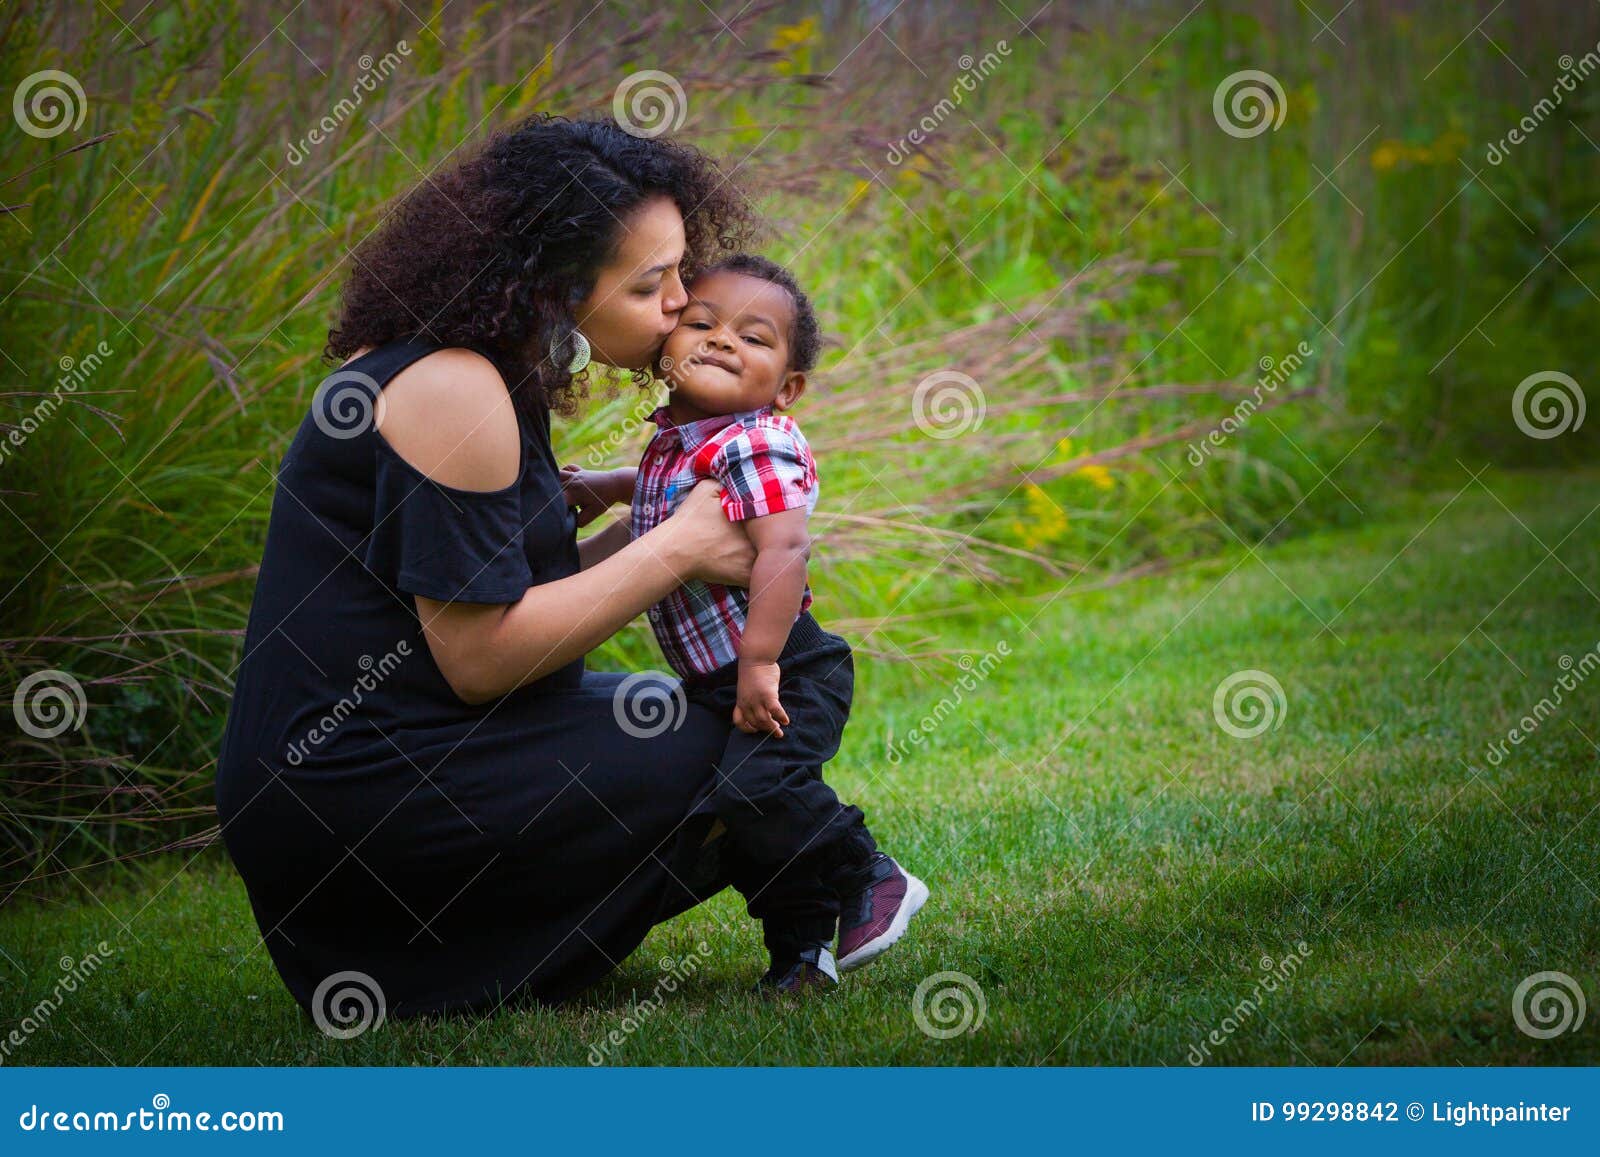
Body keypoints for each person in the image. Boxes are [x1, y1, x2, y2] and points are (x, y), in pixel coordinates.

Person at [214, 114, 831, 1019]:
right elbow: (479, 659)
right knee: (743, 735)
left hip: (405, 745)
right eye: (651, 284)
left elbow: (494, 602)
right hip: (354, 788)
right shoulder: (452, 389)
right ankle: (836, 893)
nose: (680, 304)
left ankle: (818, 903)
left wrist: (665, 530)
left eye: (680, 272)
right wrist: (677, 547)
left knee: (693, 720)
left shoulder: (483, 368)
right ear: (553, 284)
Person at [563, 256, 928, 993]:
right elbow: (664, 487)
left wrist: (761, 663)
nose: (724, 340)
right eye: (702, 324)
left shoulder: (759, 440)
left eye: (754, 339)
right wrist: (608, 486)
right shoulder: (684, 441)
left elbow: (785, 549)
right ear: (667, 350)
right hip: (718, 675)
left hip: (787, 663)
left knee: (758, 791)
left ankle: (872, 872)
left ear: (787, 388)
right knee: (744, 816)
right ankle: (803, 952)